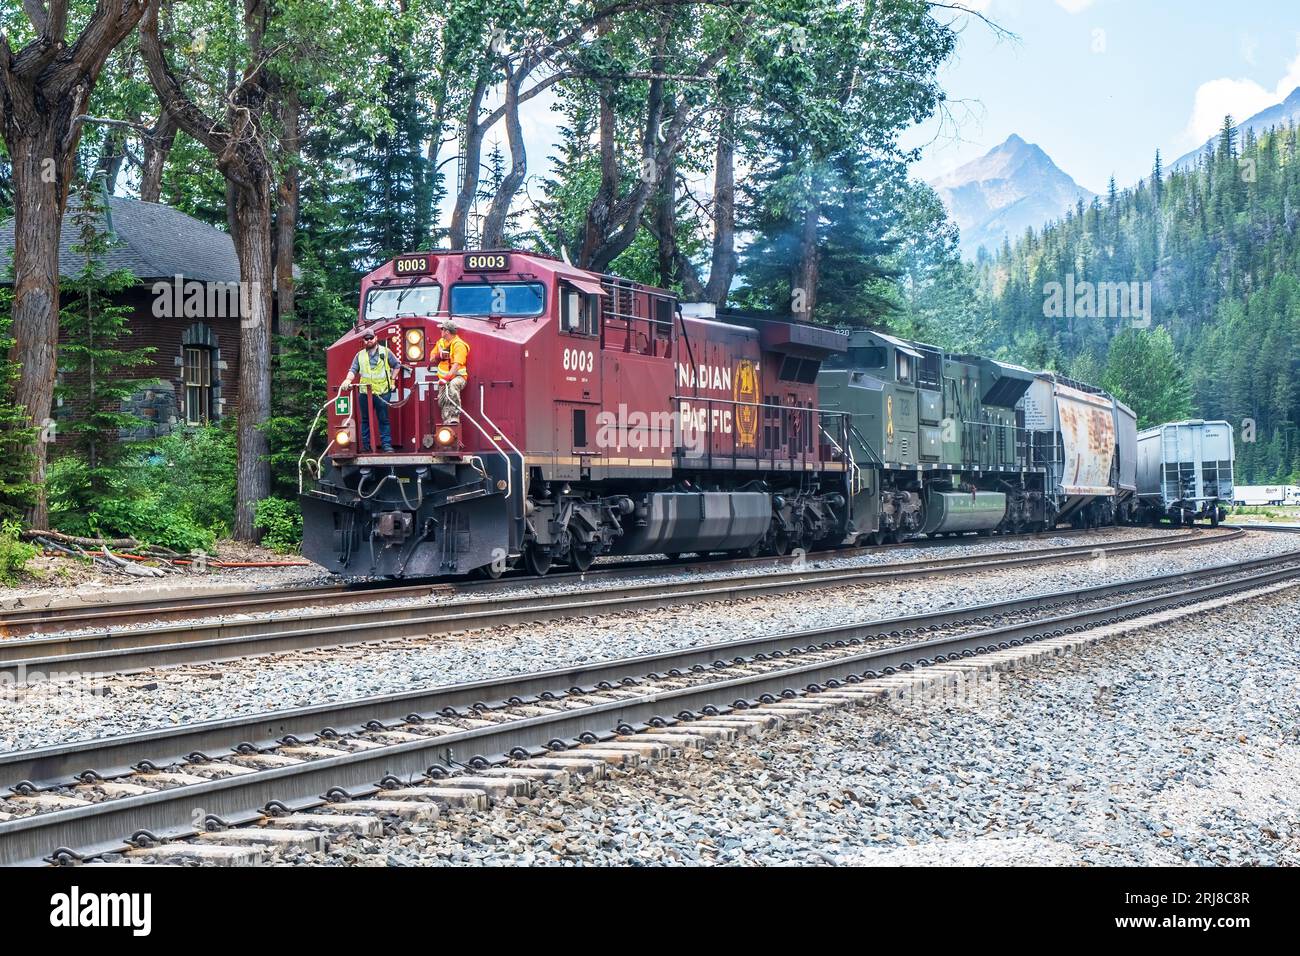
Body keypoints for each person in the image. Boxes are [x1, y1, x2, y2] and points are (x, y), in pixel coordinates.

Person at [340, 330, 401, 451]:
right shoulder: (360, 355)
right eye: (366, 339)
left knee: (383, 419)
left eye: (371, 338)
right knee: (365, 420)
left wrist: (392, 380)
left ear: (376, 338)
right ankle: (366, 446)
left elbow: (397, 365)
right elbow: (353, 370)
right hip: (364, 393)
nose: (369, 341)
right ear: (363, 341)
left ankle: (386, 445)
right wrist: (347, 380)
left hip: (382, 392)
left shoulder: (386, 352)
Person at [434, 318, 470, 425]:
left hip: (458, 377)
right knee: (442, 400)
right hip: (444, 379)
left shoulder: (459, 345)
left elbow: (457, 364)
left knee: (453, 387)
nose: (440, 331)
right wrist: (439, 355)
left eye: (442, 329)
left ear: (447, 332)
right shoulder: (440, 343)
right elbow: (432, 358)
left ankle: (454, 416)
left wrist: (447, 378)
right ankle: (447, 421)